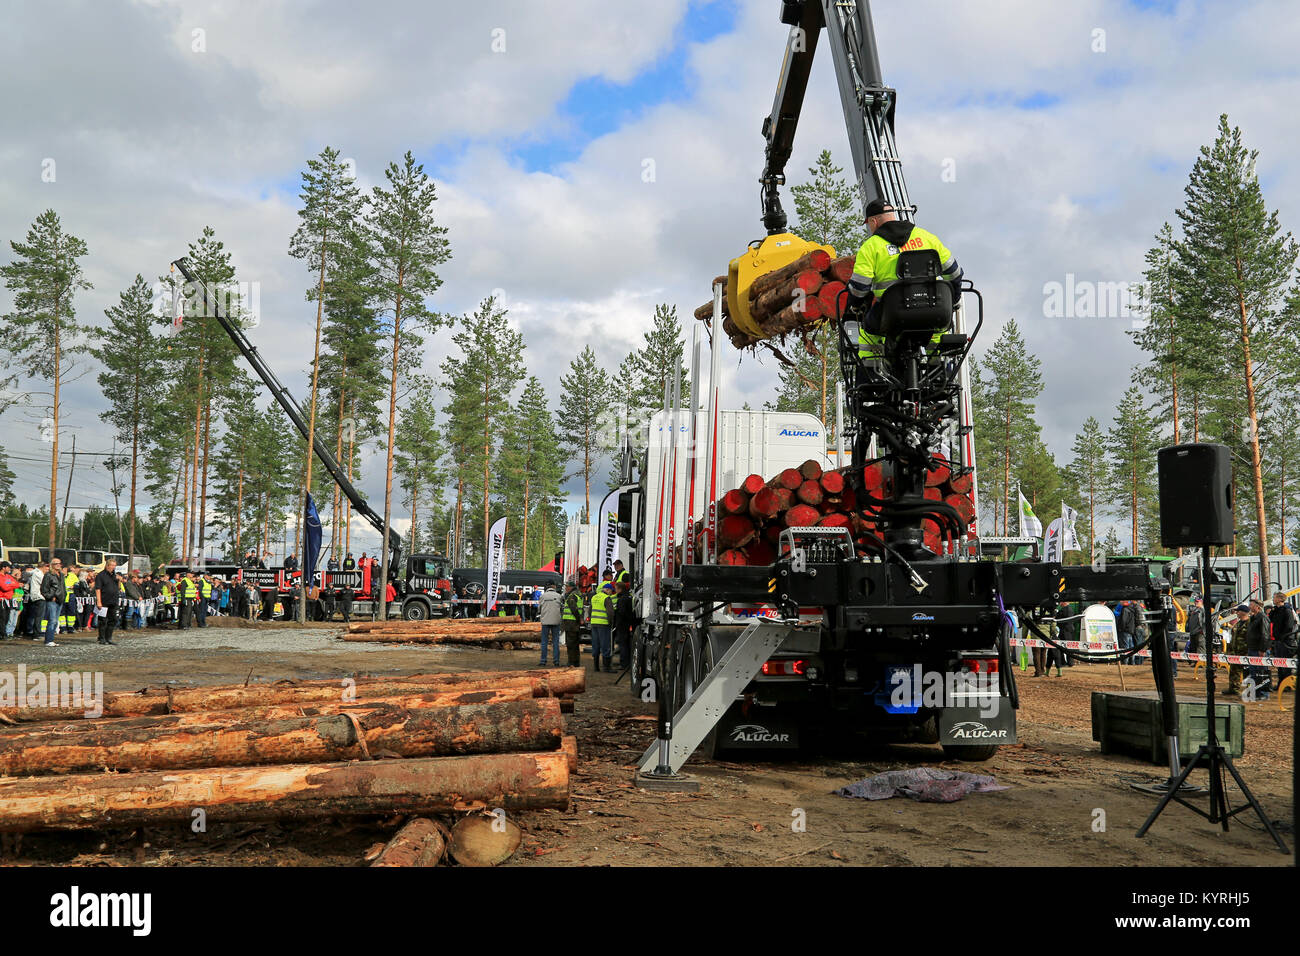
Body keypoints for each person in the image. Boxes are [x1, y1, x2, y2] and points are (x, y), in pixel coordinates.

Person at [846, 199, 963, 368]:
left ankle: (870, 378)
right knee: (937, 333)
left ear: (873, 221)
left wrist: (855, 306)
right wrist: (954, 299)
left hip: (892, 315)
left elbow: (859, 287)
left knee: (867, 334)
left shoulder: (871, 246)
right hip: (933, 310)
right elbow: (954, 272)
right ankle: (938, 372)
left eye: (869, 224)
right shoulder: (926, 236)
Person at [1268, 591, 1296, 688]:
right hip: (1278, 640)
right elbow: (1270, 619)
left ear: (1280, 599)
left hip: (1285, 641)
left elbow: (1289, 626)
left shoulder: (1287, 611)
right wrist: (1273, 610)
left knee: (1285, 664)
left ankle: (1287, 685)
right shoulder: (1277, 610)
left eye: (1275, 597)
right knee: (1279, 663)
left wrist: (1281, 637)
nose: (1273, 599)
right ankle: (1281, 684)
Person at [1245, 598, 1271, 699]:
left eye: (1251, 605)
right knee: (1253, 672)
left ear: (1258, 607)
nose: (1249, 607)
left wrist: (1262, 650)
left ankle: (1264, 694)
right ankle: (1255, 692)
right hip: (1252, 648)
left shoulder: (1262, 617)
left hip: (1259, 650)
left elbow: (1265, 635)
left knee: (1262, 672)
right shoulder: (1253, 617)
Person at [93, 557, 121, 646]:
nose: (113, 567)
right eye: (112, 565)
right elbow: (98, 589)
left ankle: (108, 638)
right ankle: (101, 638)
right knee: (102, 621)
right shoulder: (101, 575)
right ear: (107, 565)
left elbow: (118, 588)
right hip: (104, 601)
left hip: (113, 601)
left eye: (115, 566)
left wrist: (119, 580)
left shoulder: (114, 576)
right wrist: (99, 601)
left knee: (113, 619)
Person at [1225, 603, 1250, 697]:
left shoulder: (1249, 623)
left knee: (1247, 673)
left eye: (1238, 611)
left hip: (1245, 652)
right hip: (1235, 652)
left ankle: (1249, 690)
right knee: (1234, 671)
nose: (1237, 613)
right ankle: (1233, 688)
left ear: (1243, 613)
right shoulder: (1238, 623)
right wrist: (1229, 651)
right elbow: (1232, 638)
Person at [589, 582, 614, 673]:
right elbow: (610, 613)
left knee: (595, 645)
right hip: (604, 624)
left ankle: (596, 667)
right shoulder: (606, 598)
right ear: (607, 589)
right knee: (605, 645)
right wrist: (611, 623)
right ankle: (606, 667)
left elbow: (590, 610)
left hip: (594, 623)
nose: (612, 593)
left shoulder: (594, 597)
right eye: (611, 591)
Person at [39, 558, 64, 646]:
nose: (58, 565)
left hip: (60, 600)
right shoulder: (48, 575)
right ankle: (48, 640)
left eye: (59, 563)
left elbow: (62, 587)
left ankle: (51, 639)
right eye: (56, 563)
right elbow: (43, 589)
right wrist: (50, 597)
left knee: (56, 621)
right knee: (52, 620)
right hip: (52, 601)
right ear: (52, 565)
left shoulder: (61, 574)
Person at [537, 583, 563, 667]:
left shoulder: (543, 596)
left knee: (544, 642)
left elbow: (539, 609)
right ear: (554, 587)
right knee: (555, 642)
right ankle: (556, 661)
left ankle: (543, 661)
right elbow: (562, 608)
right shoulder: (559, 596)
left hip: (545, 621)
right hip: (556, 621)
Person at [613, 579, 635, 672]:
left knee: (623, 645)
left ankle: (624, 664)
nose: (615, 591)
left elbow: (621, 612)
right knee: (627, 644)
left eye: (616, 589)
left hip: (622, 625)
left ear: (620, 589)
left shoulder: (622, 599)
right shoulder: (629, 597)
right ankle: (628, 663)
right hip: (628, 624)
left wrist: (618, 622)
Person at [561, 581, 583, 667]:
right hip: (574, 623)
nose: (566, 588)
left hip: (571, 623)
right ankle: (575, 662)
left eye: (567, 586)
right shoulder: (577, 595)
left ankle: (571, 662)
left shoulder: (572, 596)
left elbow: (574, 609)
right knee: (575, 643)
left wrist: (578, 619)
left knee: (571, 644)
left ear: (571, 587)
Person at [0, 562, 17, 639]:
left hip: (8, 600)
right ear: (4, 568)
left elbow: (16, 584)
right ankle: (2, 634)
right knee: (2, 618)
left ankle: (4, 633)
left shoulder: (8, 576)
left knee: (7, 617)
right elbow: (4, 587)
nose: (10, 569)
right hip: (2, 600)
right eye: (8, 567)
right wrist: (11, 585)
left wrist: (10, 585)